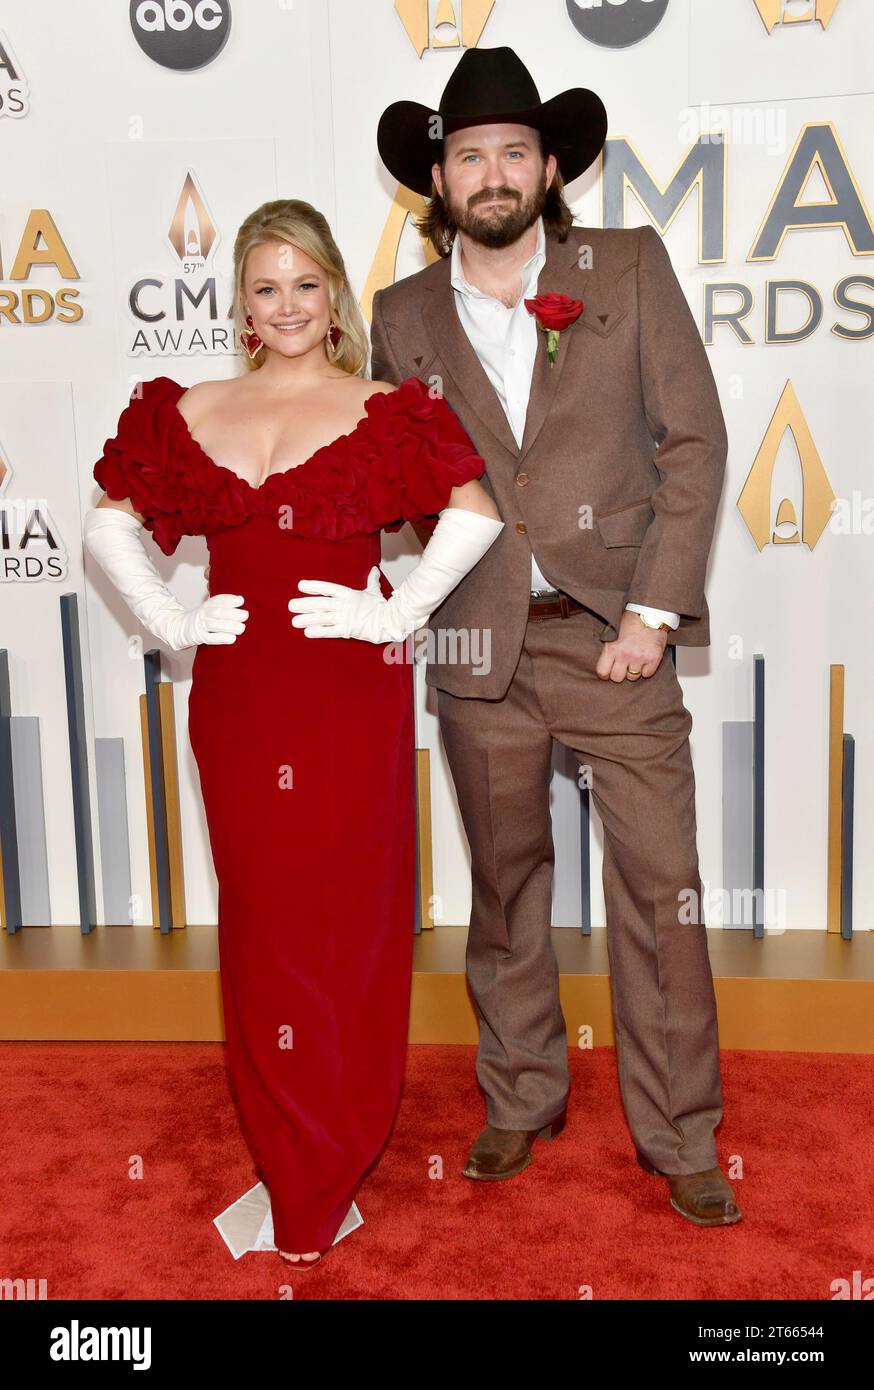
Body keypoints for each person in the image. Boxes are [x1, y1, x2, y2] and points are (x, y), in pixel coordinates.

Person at [303, 45, 739, 1227]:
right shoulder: (399, 318)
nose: (489, 173)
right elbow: (399, 491)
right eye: (465, 157)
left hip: (615, 640)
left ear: (549, 166)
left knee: (663, 891)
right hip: (475, 651)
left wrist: (651, 613)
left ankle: (681, 1132)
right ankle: (521, 1096)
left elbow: (692, 447)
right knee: (503, 891)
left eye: (510, 151)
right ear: (437, 183)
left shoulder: (628, 267)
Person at [83, 198, 504, 1265]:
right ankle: (285, 1155)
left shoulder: (381, 408)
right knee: (266, 933)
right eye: (264, 286)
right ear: (241, 299)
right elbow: (103, 522)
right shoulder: (188, 409)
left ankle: (332, 1155)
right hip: (238, 701)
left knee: (348, 929)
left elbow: (476, 510)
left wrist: (397, 612)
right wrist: (172, 619)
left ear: (332, 297)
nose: (285, 305)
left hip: (344, 697)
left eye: (304, 285)